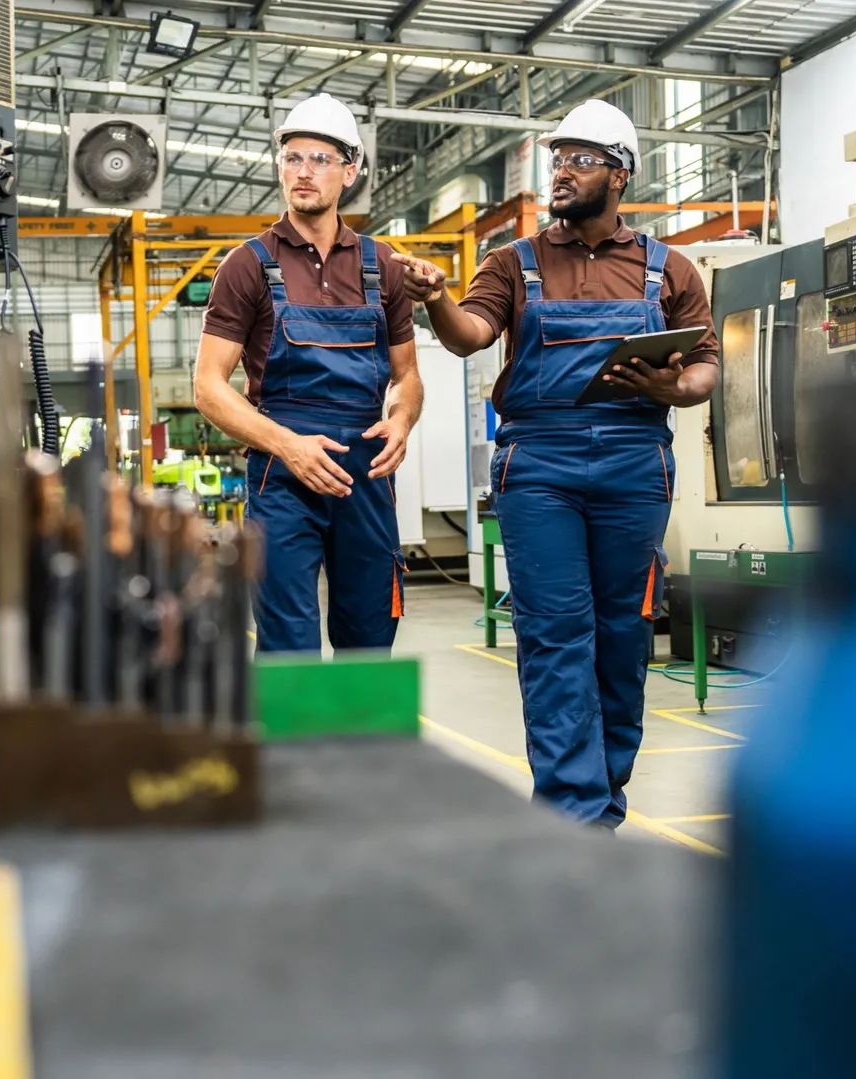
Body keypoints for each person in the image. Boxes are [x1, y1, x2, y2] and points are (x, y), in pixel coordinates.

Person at [395, 100, 719, 829]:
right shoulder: (514, 262)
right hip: (539, 464)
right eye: (557, 160)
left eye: (579, 160)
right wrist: (440, 298)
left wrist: (671, 386)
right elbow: (469, 336)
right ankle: (571, 817)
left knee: (623, 635)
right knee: (555, 636)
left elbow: (705, 369)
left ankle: (603, 801)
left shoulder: (670, 269)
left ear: (619, 173)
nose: (561, 173)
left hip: (636, 464)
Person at [193, 93, 423, 654]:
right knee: (287, 642)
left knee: (369, 637)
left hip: (365, 472)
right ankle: (291, 747)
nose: (303, 171)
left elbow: (408, 375)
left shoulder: (384, 265)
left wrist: (402, 420)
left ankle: (362, 745)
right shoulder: (247, 265)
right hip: (282, 474)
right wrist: (288, 446)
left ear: (350, 171)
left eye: (320, 160)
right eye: (292, 158)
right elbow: (207, 386)